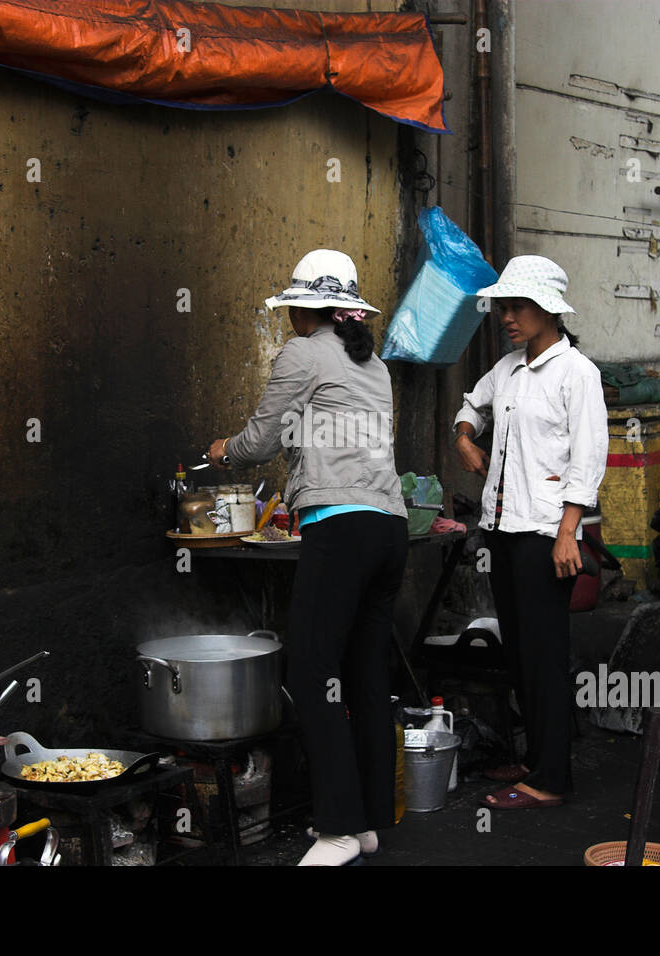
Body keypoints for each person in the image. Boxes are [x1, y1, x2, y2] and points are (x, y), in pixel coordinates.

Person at [207, 249, 409, 865]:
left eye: (293, 303)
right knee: (366, 674)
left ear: (307, 308)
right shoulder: (371, 362)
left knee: (310, 672)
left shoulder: (303, 352)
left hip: (341, 530)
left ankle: (339, 829)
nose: (289, 313)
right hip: (390, 530)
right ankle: (371, 821)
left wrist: (225, 452)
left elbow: (264, 436)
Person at [451, 255, 607, 810]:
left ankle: (551, 779)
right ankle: (536, 757)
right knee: (518, 653)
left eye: (517, 307)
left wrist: (570, 533)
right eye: (503, 307)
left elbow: (588, 460)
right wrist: (467, 438)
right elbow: (471, 407)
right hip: (502, 526)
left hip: (546, 532)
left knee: (544, 655)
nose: (507, 316)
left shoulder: (577, 373)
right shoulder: (508, 369)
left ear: (548, 310)